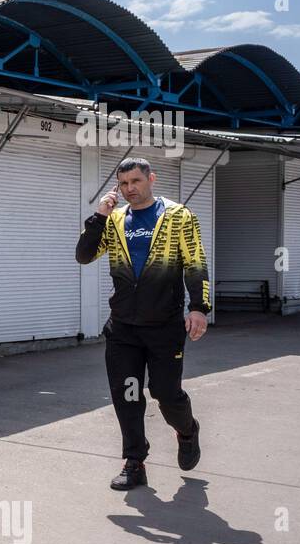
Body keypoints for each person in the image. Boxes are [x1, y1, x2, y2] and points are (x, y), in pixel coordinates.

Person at [75, 157, 211, 490]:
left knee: (165, 393)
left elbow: (195, 263)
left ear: (152, 178)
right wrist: (99, 216)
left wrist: (199, 308)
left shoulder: (178, 216)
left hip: (164, 325)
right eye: (123, 184)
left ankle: (187, 430)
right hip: (123, 327)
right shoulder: (115, 219)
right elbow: (84, 254)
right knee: (127, 394)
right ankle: (135, 461)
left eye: (136, 181)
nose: (130, 189)